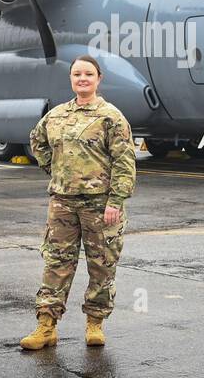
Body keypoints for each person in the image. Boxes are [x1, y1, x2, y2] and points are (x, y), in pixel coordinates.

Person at [20, 55, 136, 350]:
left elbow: (124, 161)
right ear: (71, 79)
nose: (82, 79)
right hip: (62, 203)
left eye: (88, 74)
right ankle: (46, 326)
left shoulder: (111, 116)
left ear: (98, 79)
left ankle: (95, 323)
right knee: (56, 262)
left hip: (100, 204)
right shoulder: (56, 115)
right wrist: (54, 168)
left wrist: (116, 200)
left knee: (101, 265)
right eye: (76, 74)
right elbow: (37, 140)